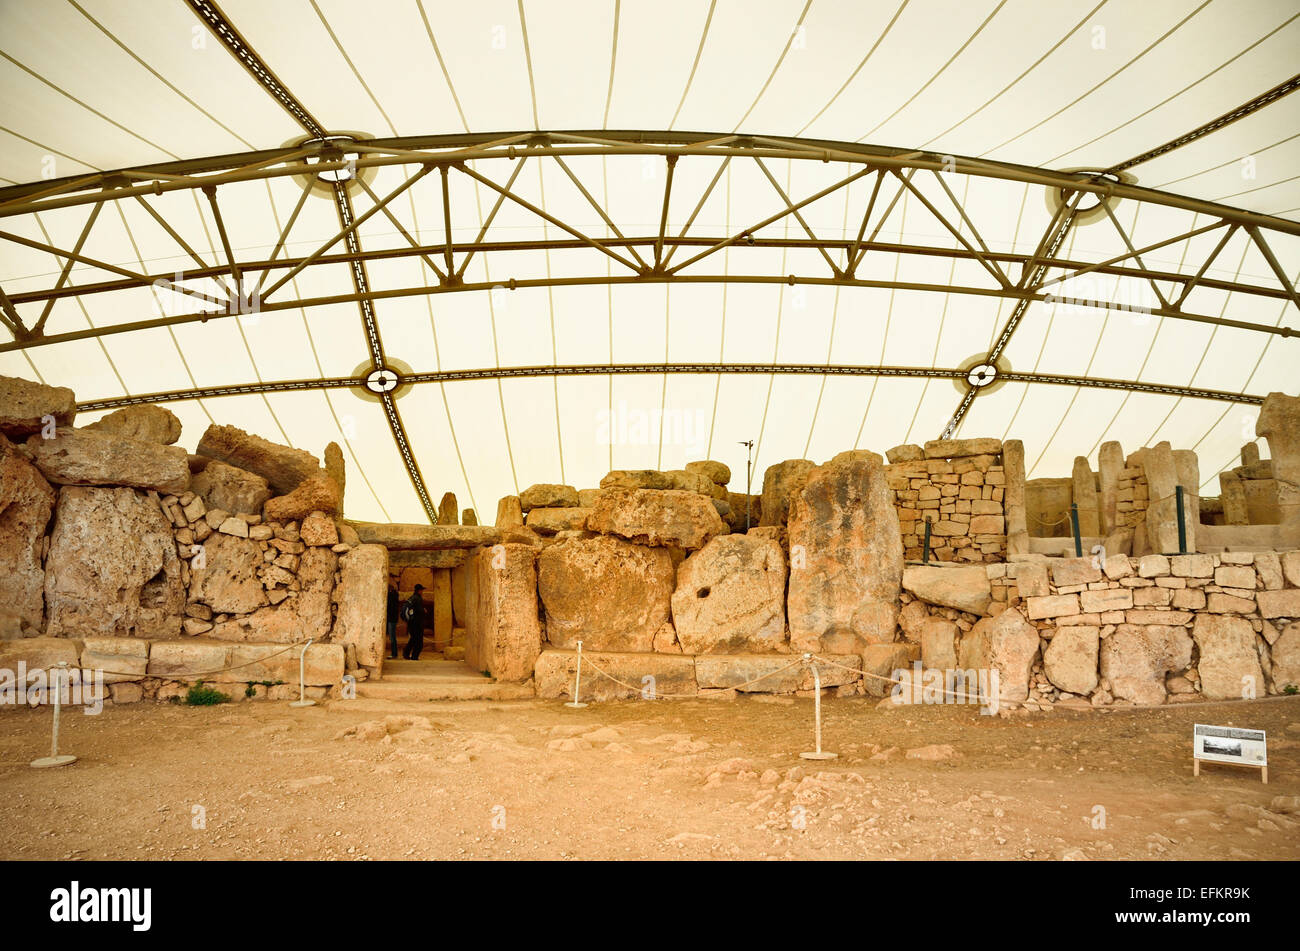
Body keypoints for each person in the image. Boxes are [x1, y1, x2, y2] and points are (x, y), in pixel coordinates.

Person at [402, 584, 427, 661]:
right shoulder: (418, 598)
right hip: (417, 623)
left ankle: (406, 653)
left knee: (413, 639)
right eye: (422, 590)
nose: (422, 591)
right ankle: (414, 656)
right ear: (419, 590)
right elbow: (419, 611)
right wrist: (424, 611)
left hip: (411, 622)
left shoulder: (411, 598)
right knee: (419, 641)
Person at [386, 582, 400, 660]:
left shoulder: (391, 596)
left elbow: (390, 608)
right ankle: (394, 653)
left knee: (392, 637)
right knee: (392, 637)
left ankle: (394, 654)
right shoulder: (395, 596)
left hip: (391, 619)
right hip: (393, 619)